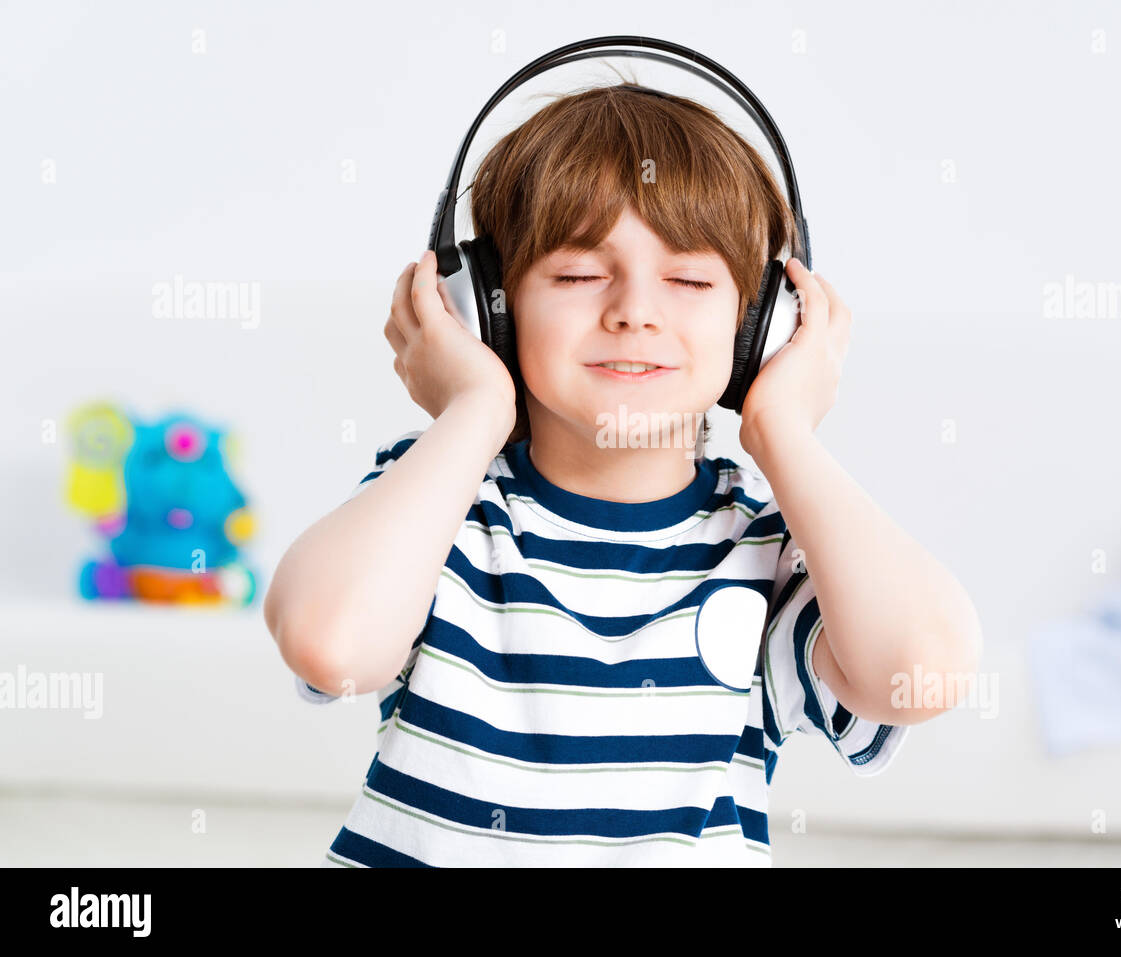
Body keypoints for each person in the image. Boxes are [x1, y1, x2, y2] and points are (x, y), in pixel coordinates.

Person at [263, 82, 983, 866]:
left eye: (691, 280)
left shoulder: (769, 555)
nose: (634, 311)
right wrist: (473, 409)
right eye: (577, 275)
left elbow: (924, 668)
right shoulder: (440, 503)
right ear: (486, 311)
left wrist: (783, 432)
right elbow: (328, 642)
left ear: (760, 327)